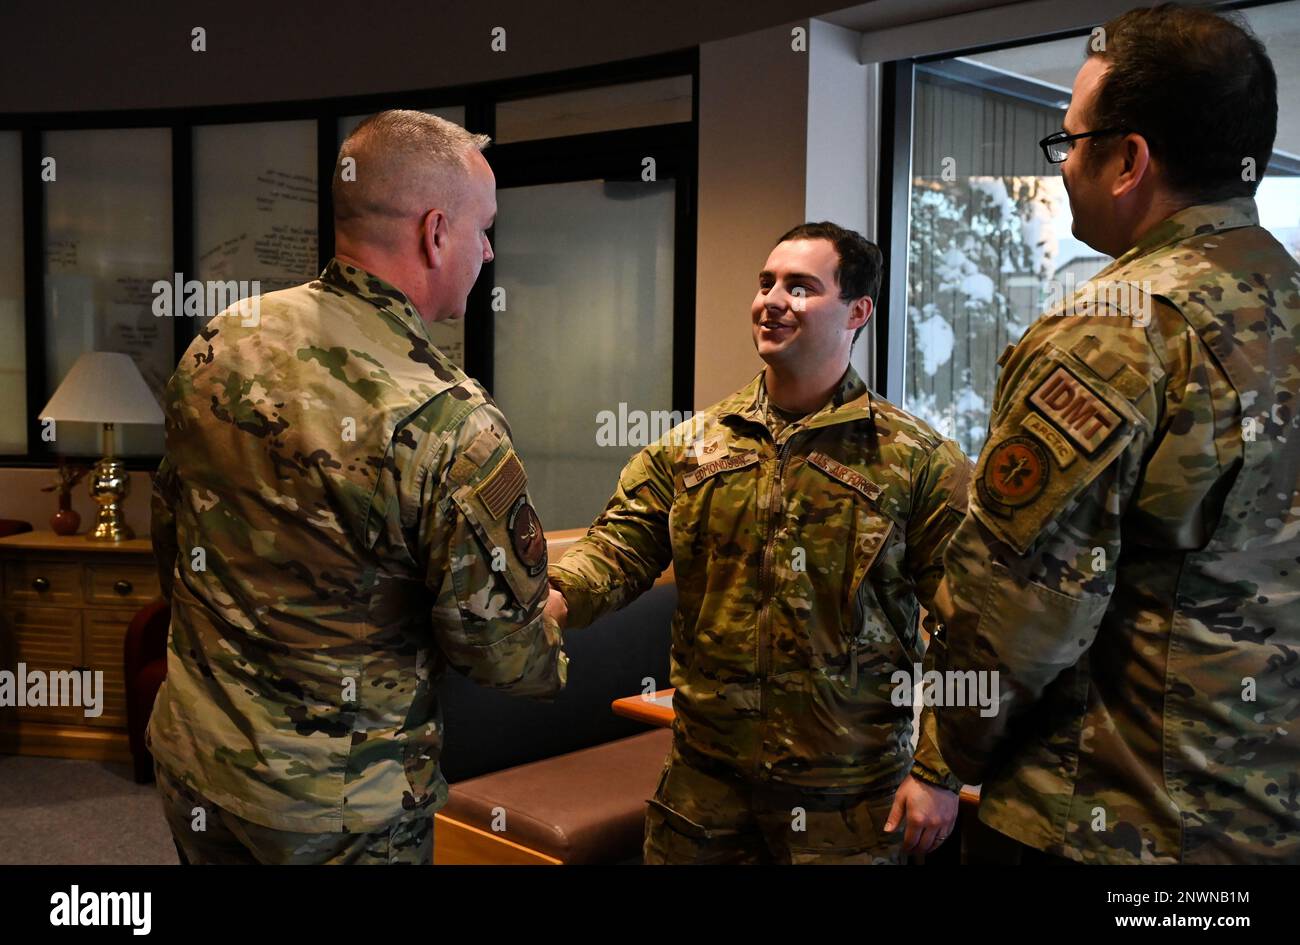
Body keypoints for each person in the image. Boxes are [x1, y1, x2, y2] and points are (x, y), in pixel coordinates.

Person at [932, 3, 1300, 863]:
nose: (1063, 168)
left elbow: (1017, 614)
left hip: (1109, 823)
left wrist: (944, 754)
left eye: (1068, 144)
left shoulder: (1116, 329)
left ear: (1128, 157)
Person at [148, 110, 567, 864]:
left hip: (197, 761)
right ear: (436, 233)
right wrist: (551, 624)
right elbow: (504, 655)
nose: (489, 250)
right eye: (483, 229)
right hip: (341, 813)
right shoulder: (446, 418)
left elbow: (173, 531)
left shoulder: (223, 338)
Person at [549, 222, 969, 863]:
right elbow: (616, 550)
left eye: (801, 287)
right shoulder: (693, 447)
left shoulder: (915, 460)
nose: (772, 300)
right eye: (766, 283)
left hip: (849, 806)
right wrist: (545, 600)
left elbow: (966, 626)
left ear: (857, 311)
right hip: (704, 793)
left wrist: (938, 771)